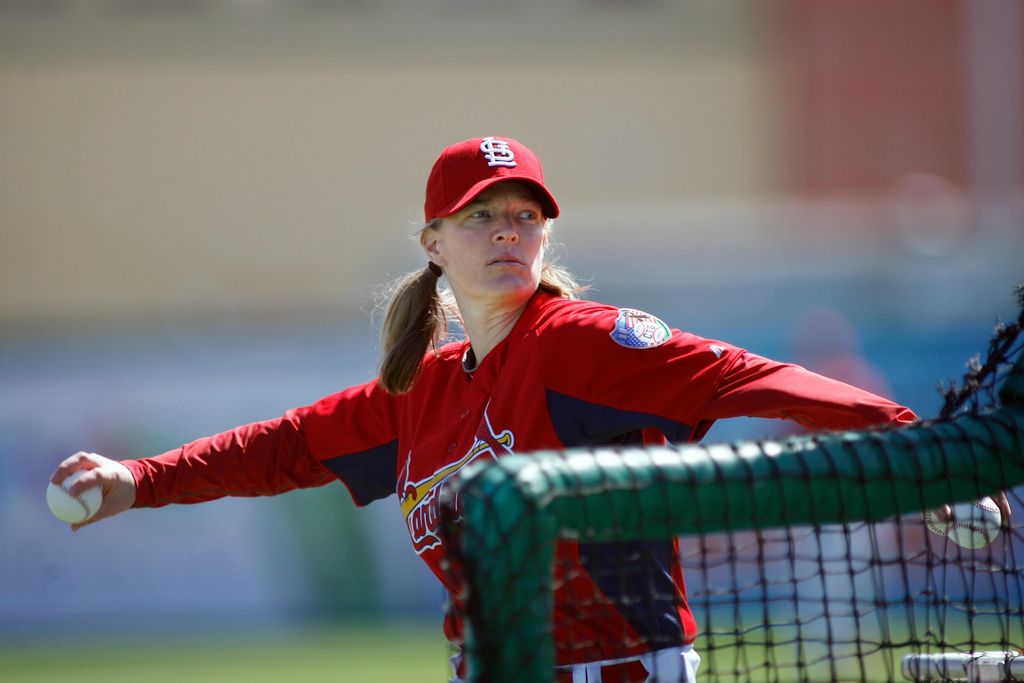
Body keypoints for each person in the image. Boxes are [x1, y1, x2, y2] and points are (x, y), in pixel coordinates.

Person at [51, 136, 920, 683]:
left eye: (525, 217)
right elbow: (284, 446)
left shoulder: (578, 342)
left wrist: (915, 445)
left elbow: (741, 376)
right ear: (434, 244)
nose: (509, 231)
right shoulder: (420, 389)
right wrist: (138, 478)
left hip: (616, 669)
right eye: (481, 217)